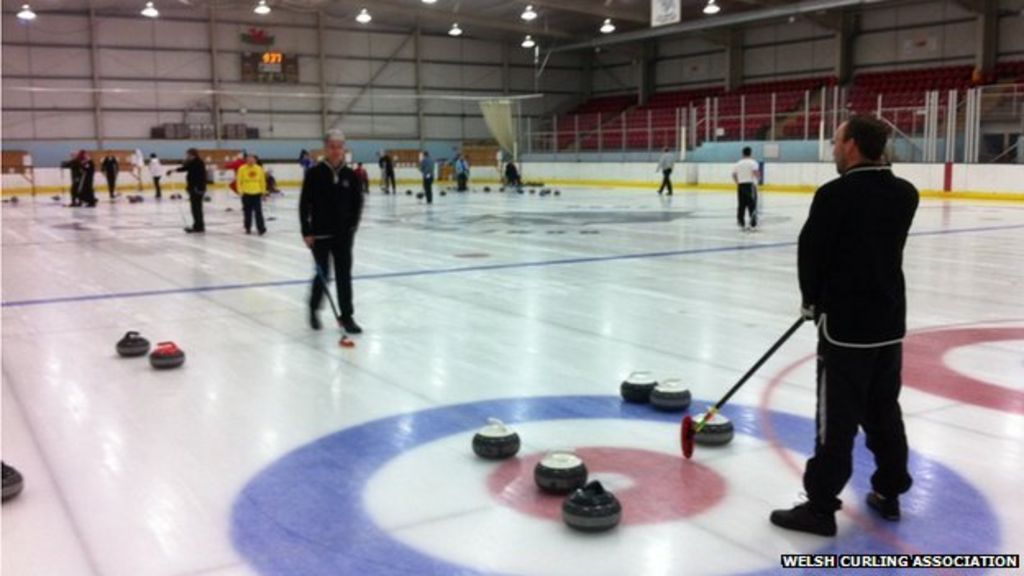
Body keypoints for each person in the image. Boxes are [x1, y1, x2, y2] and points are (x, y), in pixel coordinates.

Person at [770, 115, 919, 537]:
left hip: (846, 329)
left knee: (835, 420)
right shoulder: (906, 193)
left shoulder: (835, 194)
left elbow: (812, 252)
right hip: (888, 324)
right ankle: (889, 491)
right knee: (883, 411)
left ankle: (819, 506)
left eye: (836, 142)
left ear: (852, 145)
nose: (834, 149)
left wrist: (811, 300)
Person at [299, 129, 364, 334]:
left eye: (340, 147)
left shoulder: (351, 176)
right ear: (326, 148)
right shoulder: (314, 174)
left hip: (344, 236)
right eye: (332, 147)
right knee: (323, 274)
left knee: (344, 275)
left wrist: (352, 227)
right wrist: (306, 231)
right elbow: (304, 205)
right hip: (320, 235)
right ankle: (313, 308)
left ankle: (347, 316)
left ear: (344, 149)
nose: (336, 151)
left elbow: (358, 204)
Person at [168, 148, 208, 234]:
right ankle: (198, 226)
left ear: (192, 155)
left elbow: (186, 168)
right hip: (195, 188)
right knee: (196, 208)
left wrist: (198, 188)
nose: (186, 156)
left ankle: (199, 227)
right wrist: (173, 170)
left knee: (196, 208)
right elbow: (185, 168)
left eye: (188, 155)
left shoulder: (197, 162)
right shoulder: (195, 162)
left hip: (197, 189)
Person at [236, 154, 268, 235]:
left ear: (255, 161)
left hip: (257, 193)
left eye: (252, 160)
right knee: (247, 212)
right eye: (249, 160)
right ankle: (247, 227)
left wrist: (263, 192)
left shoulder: (259, 169)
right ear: (246, 161)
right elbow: (239, 181)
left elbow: (262, 181)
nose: (251, 161)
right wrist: (240, 191)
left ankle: (261, 228)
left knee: (258, 212)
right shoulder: (242, 169)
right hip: (246, 193)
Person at [732, 147, 760, 230]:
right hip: (750, 185)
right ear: (750, 153)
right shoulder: (753, 163)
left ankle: (741, 222)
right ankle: (752, 223)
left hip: (741, 185)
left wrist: (738, 182)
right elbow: (755, 172)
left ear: (742, 153)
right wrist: (758, 179)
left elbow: (734, 175)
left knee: (741, 205)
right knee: (752, 204)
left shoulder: (738, 163)